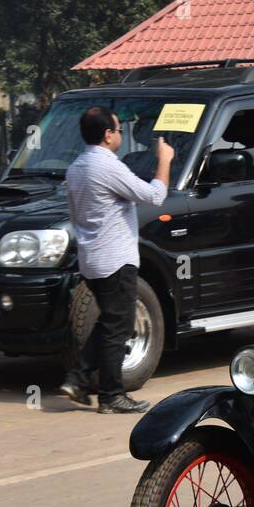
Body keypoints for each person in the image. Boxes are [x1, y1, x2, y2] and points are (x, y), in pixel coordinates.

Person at [59, 105, 173, 414]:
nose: (120, 135)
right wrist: (164, 161)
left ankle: (78, 379)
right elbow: (154, 196)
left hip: (92, 259)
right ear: (108, 135)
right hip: (115, 259)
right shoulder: (106, 166)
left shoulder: (77, 168)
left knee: (110, 323)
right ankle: (111, 395)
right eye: (119, 130)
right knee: (118, 328)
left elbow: (74, 215)